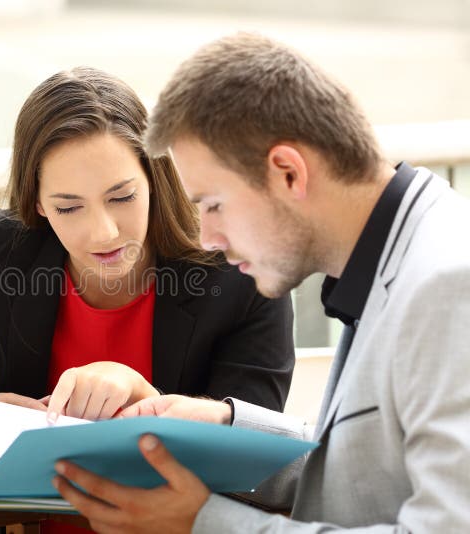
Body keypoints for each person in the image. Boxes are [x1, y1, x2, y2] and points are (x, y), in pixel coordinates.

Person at [51, 34, 470, 533]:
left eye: (212, 203)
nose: (207, 235)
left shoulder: (447, 286)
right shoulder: (408, 248)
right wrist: (225, 430)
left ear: (288, 173)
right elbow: (368, 464)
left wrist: (200, 524)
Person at [0, 67, 294, 424]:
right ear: (37, 204)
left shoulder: (242, 272)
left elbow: (258, 449)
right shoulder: (6, 254)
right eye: (68, 207)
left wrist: (144, 395)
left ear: (154, 178)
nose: (103, 232)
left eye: (122, 197)